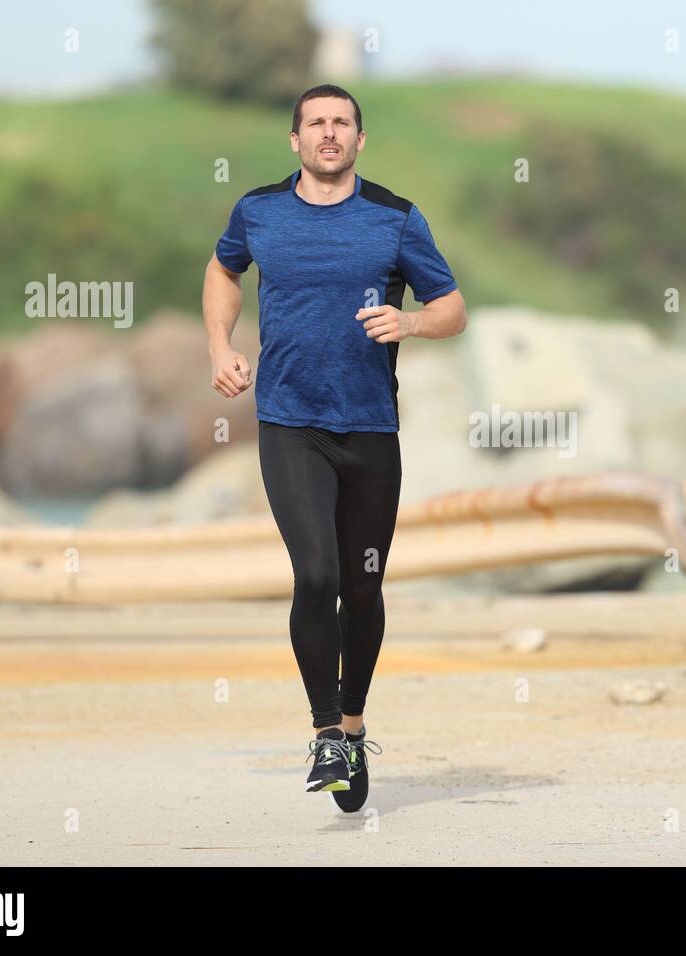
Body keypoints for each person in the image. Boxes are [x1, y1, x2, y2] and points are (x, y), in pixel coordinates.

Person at [202, 83, 467, 811]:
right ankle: (324, 731)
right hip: (291, 423)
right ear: (295, 140)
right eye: (315, 123)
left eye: (342, 123)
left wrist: (409, 325)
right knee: (315, 574)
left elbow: (451, 307)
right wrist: (220, 345)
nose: (328, 133)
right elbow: (223, 268)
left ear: (359, 139)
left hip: (372, 430)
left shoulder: (394, 218)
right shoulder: (258, 211)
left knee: (364, 585)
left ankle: (352, 729)